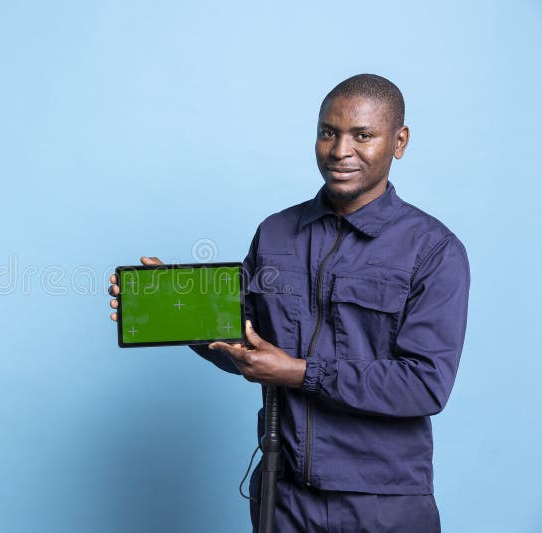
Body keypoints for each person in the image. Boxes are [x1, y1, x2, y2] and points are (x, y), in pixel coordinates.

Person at [108, 73, 470, 532]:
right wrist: (177, 307)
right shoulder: (276, 232)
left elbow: (425, 384)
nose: (340, 150)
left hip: (383, 502)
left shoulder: (433, 250)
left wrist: (300, 373)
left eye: (362, 135)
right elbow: (247, 344)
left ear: (399, 142)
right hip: (284, 495)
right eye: (328, 132)